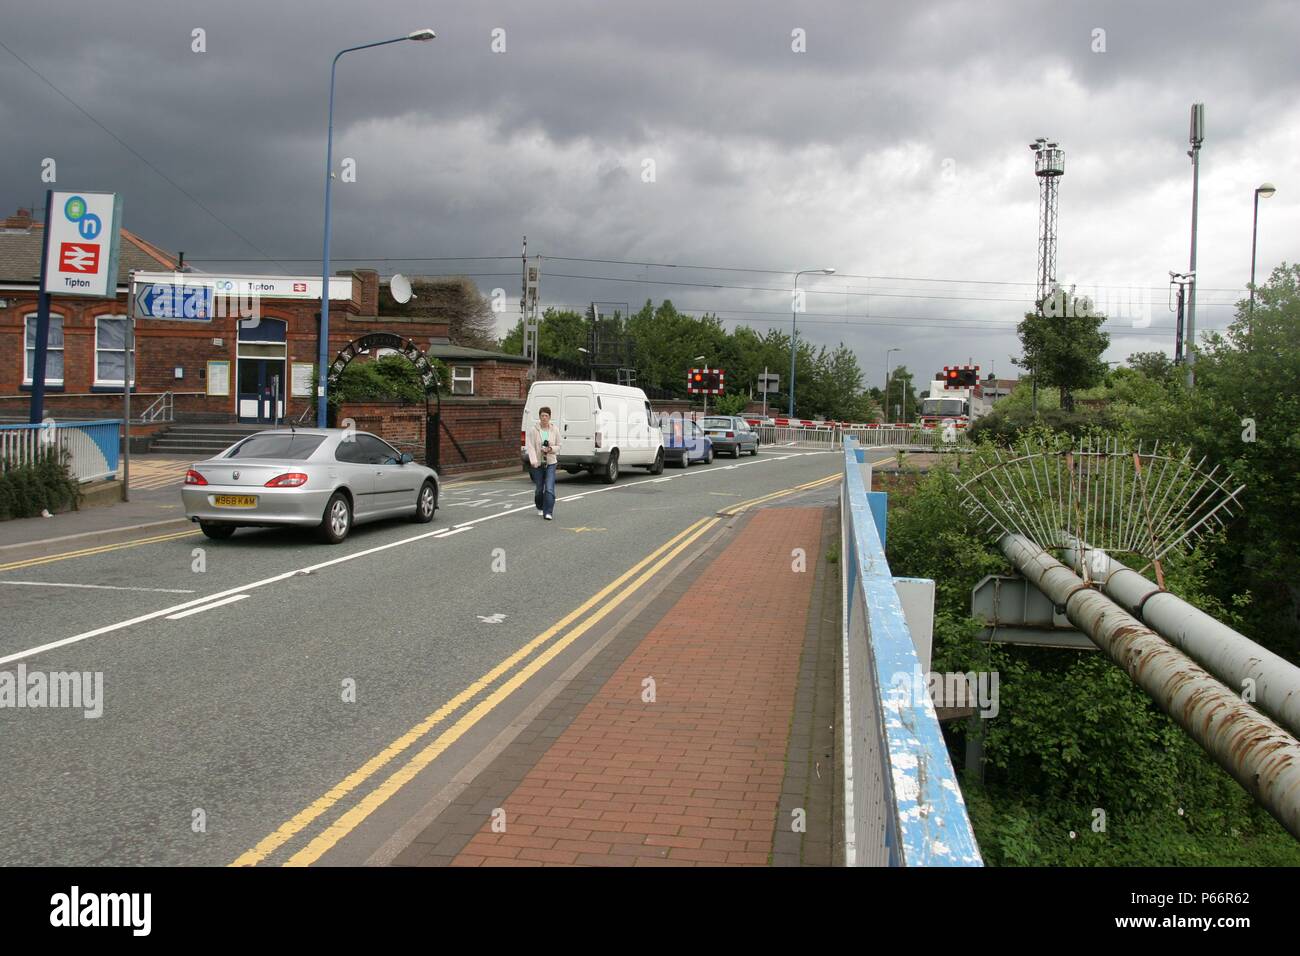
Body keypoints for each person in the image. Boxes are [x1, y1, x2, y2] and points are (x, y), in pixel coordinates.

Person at [524, 406, 561, 520]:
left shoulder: (554, 429)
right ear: (539, 417)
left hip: (550, 463)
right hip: (538, 464)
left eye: (546, 416)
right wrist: (534, 461)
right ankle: (540, 506)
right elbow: (530, 447)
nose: (544, 418)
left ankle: (548, 512)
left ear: (549, 417)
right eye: (542, 416)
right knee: (539, 489)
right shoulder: (533, 430)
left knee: (549, 488)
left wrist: (550, 449)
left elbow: (559, 445)